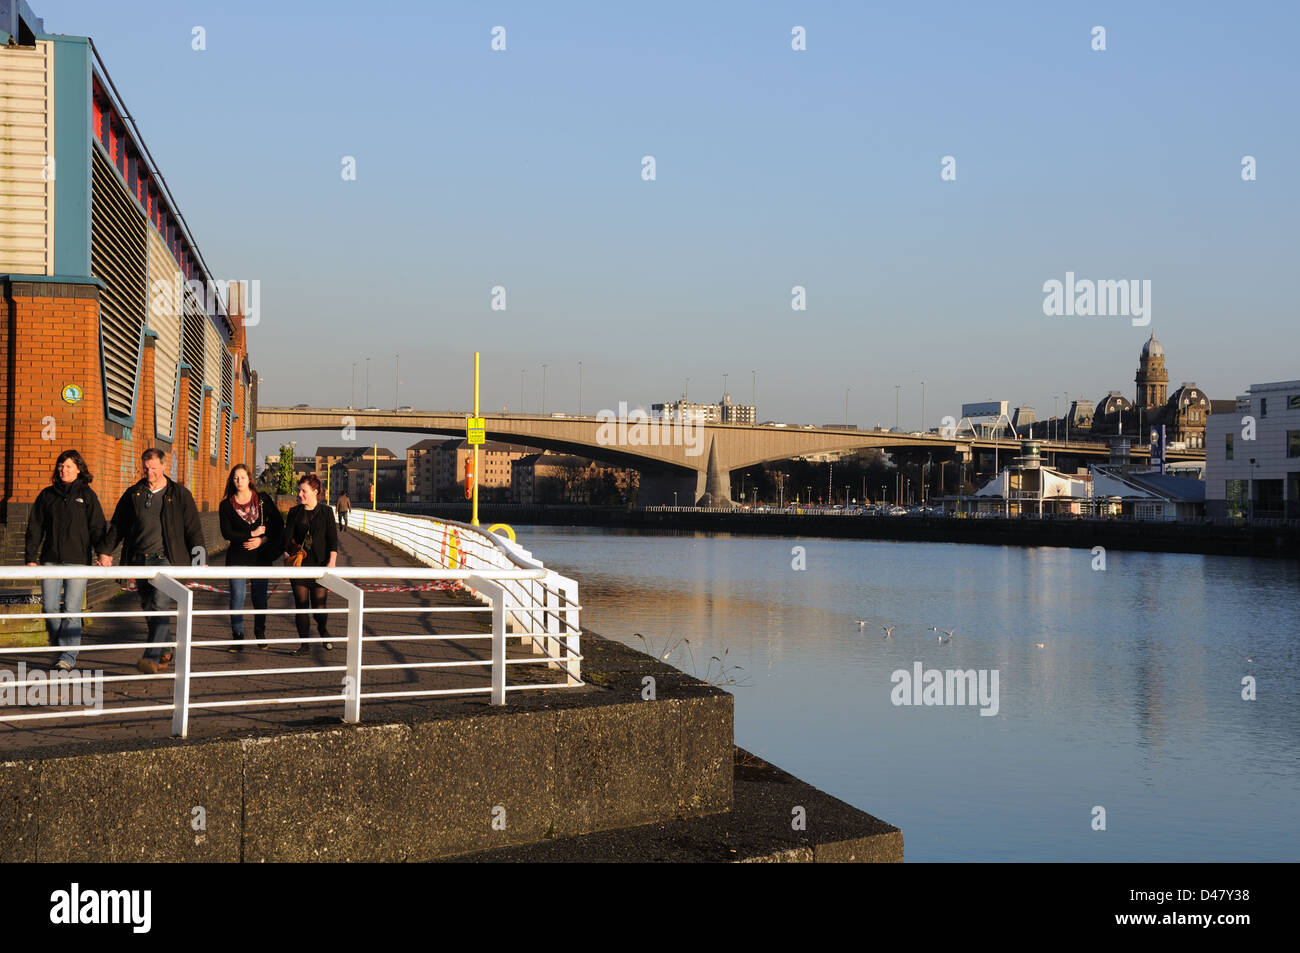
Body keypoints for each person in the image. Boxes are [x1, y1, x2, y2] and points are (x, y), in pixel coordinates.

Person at [109, 448, 205, 674]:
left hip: (165, 559)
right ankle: (166, 649)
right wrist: (105, 552)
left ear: (164, 466)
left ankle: (150, 658)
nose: (149, 472)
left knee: (160, 604)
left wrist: (199, 558)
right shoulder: (134, 493)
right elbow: (117, 525)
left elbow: (194, 529)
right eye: (146, 468)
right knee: (149, 607)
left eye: (153, 468)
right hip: (139, 559)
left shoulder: (179, 494)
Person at [24, 450, 115, 671]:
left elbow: (97, 527)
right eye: (60, 466)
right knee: (50, 608)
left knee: (72, 610)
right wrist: (30, 557)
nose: (63, 470)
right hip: (50, 560)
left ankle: (68, 656)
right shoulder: (47, 495)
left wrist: (102, 552)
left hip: (77, 561)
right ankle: (59, 647)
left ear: (78, 469)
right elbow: (35, 528)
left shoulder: (87, 495)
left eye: (67, 466)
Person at [218, 463, 284, 652]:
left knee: (260, 597)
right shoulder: (226, 505)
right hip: (237, 556)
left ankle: (260, 631)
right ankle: (237, 635)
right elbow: (226, 533)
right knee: (238, 596)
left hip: (261, 556)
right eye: (235, 478)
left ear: (249, 479)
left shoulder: (262, 500)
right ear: (232, 480)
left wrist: (263, 540)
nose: (239, 481)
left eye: (243, 477)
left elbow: (278, 524)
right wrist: (251, 533)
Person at [282, 473, 338, 656]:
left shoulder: (327, 512)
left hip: (320, 565)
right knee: (301, 605)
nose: (300, 494)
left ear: (315, 491)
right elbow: (286, 538)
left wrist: (332, 563)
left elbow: (332, 540)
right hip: (299, 566)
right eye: (299, 490)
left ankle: (323, 629)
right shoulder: (294, 512)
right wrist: (285, 553)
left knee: (319, 607)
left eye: (303, 491)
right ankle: (304, 644)